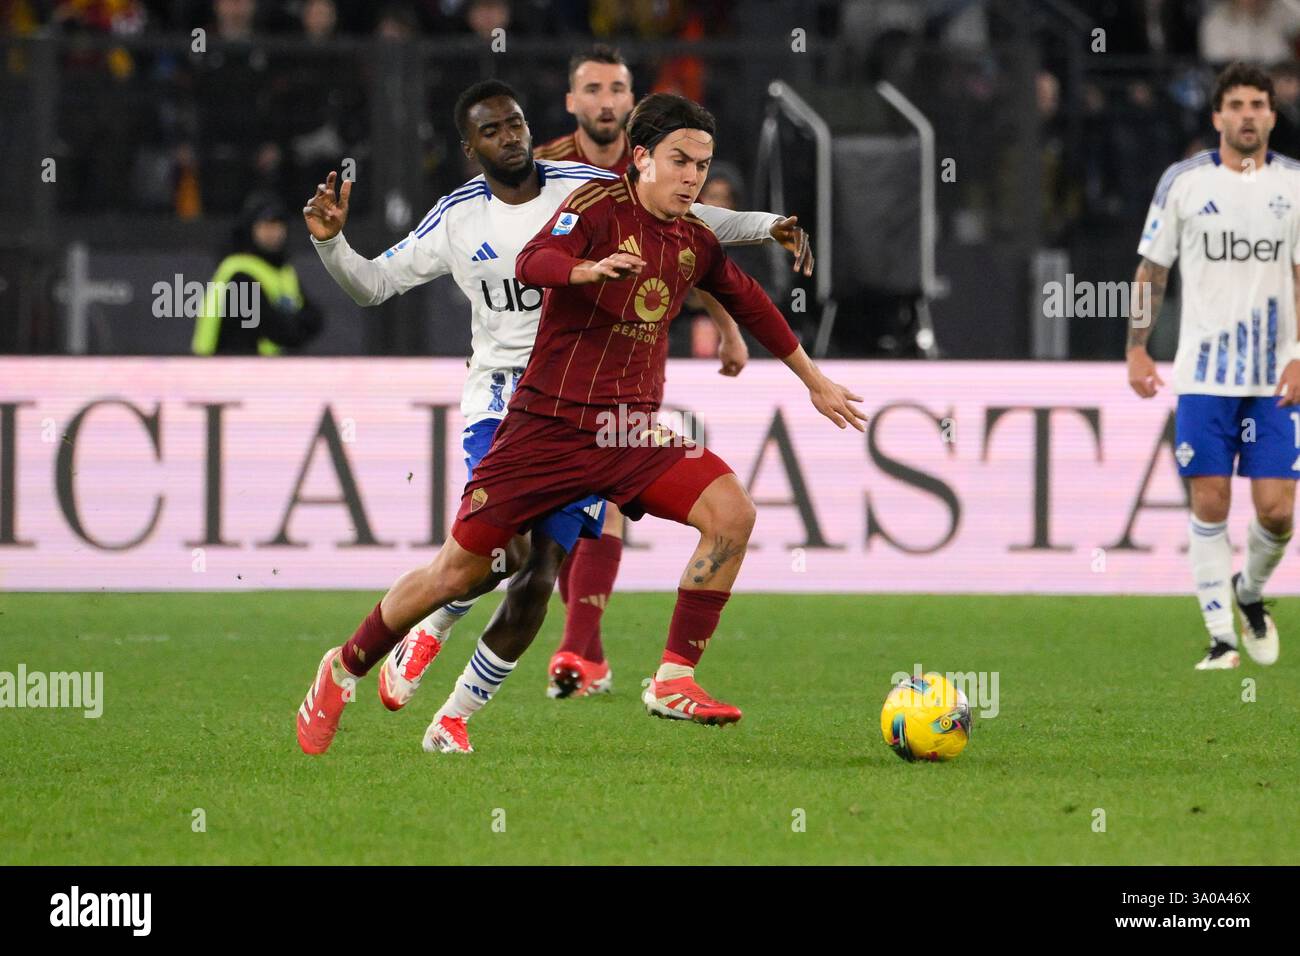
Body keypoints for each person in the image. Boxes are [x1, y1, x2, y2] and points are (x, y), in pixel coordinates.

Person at [296, 92, 861, 756]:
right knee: (460, 573)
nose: (693, 177)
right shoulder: (591, 209)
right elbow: (535, 260)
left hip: (627, 436)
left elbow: (755, 305)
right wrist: (583, 269)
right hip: (544, 431)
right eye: (680, 161)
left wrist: (815, 380)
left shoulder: (692, 239)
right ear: (644, 158)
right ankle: (342, 668)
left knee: (731, 513)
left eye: (702, 165)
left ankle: (675, 676)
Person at [532, 44, 813, 699]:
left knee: (619, 509)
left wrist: (741, 297)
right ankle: (399, 649)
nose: (607, 100)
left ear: (631, 107)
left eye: (618, 88)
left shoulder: (666, 183)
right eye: (593, 88)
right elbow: (514, 246)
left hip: (617, 395)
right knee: (494, 560)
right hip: (538, 370)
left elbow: (693, 241)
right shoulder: (546, 173)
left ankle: (594, 656)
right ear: (574, 102)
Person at [1127, 61, 1300, 670]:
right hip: (1203, 375)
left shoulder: (1295, 188)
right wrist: (1137, 346)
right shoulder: (1184, 183)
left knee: (1278, 511)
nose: (1248, 114)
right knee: (1210, 499)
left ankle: (1250, 592)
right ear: (1217, 116)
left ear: (1272, 117)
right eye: (1238, 105)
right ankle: (1221, 637)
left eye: (1259, 104)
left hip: (1277, 374)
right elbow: (1152, 269)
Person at [192, 192, 323, 355]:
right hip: (227, 372)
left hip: (261, 372)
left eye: (278, 225)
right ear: (250, 229)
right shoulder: (238, 273)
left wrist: (295, 325)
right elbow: (278, 329)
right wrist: (297, 324)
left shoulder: (284, 272)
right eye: (266, 225)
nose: (273, 232)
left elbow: (315, 317)